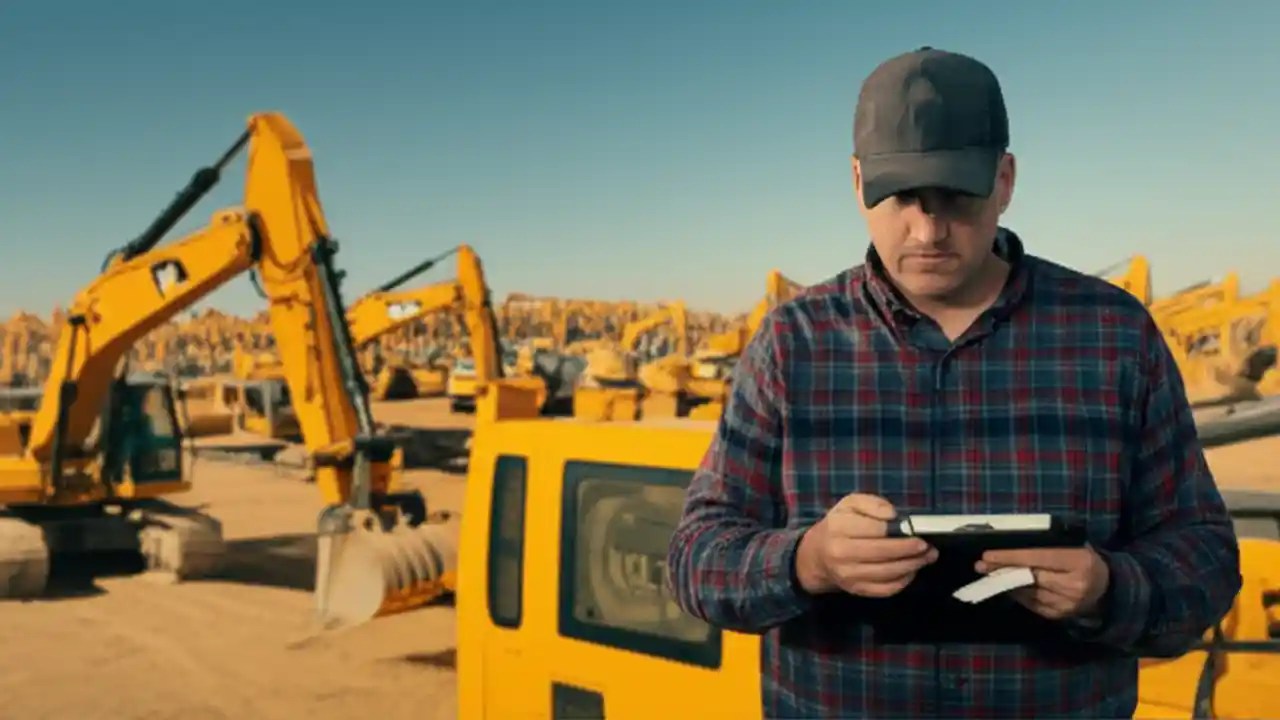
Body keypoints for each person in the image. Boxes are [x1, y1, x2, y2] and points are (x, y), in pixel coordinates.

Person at [665, 46, 1242, 719]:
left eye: (957, 196)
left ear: (1005, 179)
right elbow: (693, 558)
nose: (929, 229)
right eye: (903, 197)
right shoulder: (791, 345)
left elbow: (1205, 553)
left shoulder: (1115, 337)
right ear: (858, 184)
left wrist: (1110, 587)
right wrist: (808, 560)